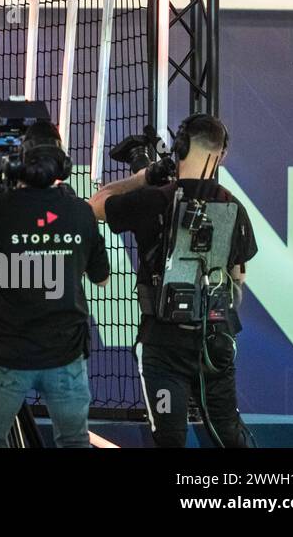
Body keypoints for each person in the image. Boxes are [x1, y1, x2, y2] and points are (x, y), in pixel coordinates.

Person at [90, 113, 257, 447]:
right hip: (216, 342)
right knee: (229, 435)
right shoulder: (235, 208)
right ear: (221, 155)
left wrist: (143, 177)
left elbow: (96, 204)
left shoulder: (151, 200)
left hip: (162, 347)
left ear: (178, 149)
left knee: (169, 440)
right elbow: (238, 280)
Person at [0, 121, 110, 447]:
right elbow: (102, 279)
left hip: (8, 356)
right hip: (66, 354)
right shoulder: (80, 212)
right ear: (61, 162)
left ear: (19, 162)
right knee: (74, 441)